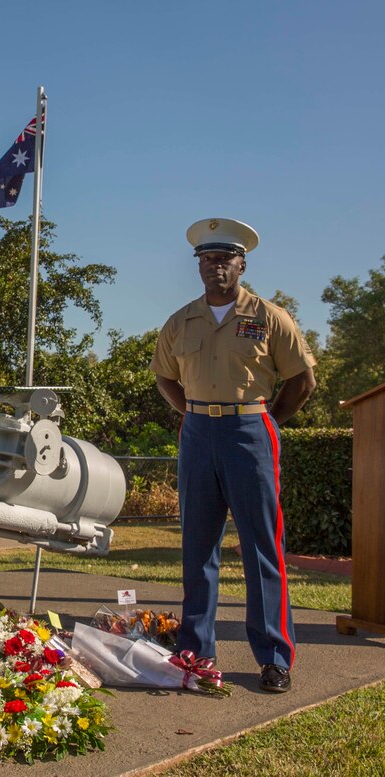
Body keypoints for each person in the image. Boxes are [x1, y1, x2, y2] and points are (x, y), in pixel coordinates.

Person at [150, 218, 316, 694]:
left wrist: (263, 423)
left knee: (261, 547)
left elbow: (303, 382)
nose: (215, 267)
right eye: (206, 259)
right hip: (198, 431)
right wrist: (193, 413)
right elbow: (165, 376)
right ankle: (196, 652)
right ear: (198, 265)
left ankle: (273, 657)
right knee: (197, 546)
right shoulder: (180, 321)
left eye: (224, 259)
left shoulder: (269, 317)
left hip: (251, 429)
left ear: (242, 264)